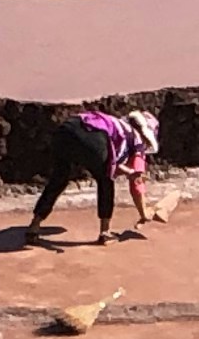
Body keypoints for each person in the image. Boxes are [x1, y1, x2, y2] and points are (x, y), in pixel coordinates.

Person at [28, 101, 157, 244]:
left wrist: (129, 172)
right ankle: (105, 232)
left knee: (59, 178)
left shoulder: (115, 124)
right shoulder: (136, 141)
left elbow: (111, 161)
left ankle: (34, 226)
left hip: (66, 130)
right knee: (106, 180)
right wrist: (144, 212)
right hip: (92, 137)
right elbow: (136, 182)